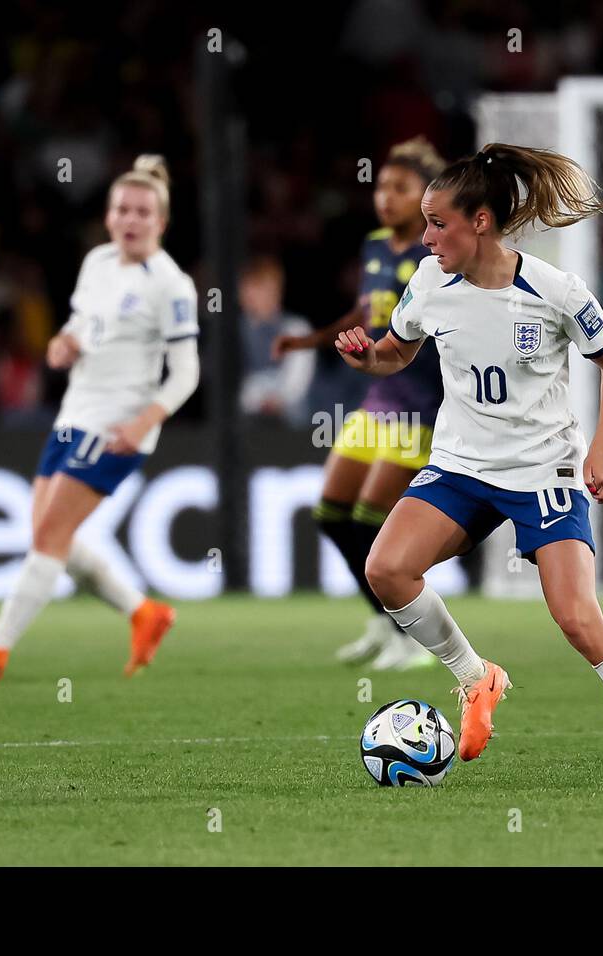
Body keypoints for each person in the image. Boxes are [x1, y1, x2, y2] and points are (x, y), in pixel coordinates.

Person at [337, 143, 603, 786]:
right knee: (387, 568)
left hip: (543, 473)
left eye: (438, 223)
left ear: (480, 222)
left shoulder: (554, 290)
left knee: (576, 618)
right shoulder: (428, 283)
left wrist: (601, 448)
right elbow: (397, 353)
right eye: (424, 223)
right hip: (459, 466)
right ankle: (475, 677)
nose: (425, 238)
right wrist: (368, 356)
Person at [0, 155, 200, 681]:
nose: (130, 219)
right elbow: (85, 321)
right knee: (47, 532)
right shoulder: (99, 262)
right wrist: (66, 342)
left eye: (142, 212)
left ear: (161, 223)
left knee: (49, 536)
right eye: (122, 209)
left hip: (115, 427)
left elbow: (186, 373)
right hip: (73, 415)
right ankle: (144, 612)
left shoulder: (172, 285)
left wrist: (144, 421)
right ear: (108, 216)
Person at [273, 136, 447, 670]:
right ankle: (382, 622)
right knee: (330, 514)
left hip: (419, 407)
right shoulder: (375, 245)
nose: (385, 197)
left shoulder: (438, 253)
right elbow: (365, 310)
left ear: (426, 197)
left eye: (400, 188)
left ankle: (412, 637)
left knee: (372, 518)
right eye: (381, 187)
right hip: (377, 400)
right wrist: (308, 341)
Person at [238, 256, 316, 425]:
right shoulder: (233, 333)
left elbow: (296, 384)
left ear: (277, 290)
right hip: (244, 426)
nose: (255, 296)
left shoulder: (296, 329)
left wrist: (276, 401)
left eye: (262, 288)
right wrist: (255, 401)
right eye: (250, 288)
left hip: (290, 426)